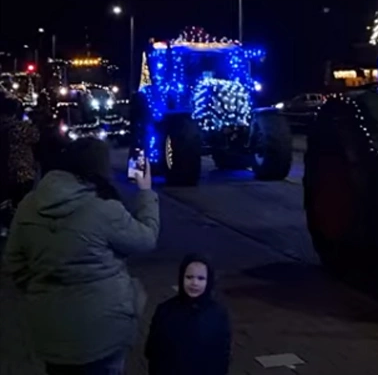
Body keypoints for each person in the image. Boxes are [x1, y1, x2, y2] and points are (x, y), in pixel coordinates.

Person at [2, 137, 159, 375]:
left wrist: (42, 288)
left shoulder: (29, 205)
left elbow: (14, 262)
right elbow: (146, 239)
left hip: (51, 330)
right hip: (103, 331)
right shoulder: (103, 209)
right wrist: (146, 192)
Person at [145, 254, 232, 375]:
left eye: (201, 278)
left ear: (209, 281)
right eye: (189, 277)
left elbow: (222, 354)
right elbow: (153, 349)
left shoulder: (218, 313)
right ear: (182, 278)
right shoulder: (165, 310)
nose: (194, 283)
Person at [0, 95, 39, 237]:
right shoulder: (20, 128)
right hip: (22, 173)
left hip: (4, 173)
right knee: (22, 205)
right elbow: (36, 135)